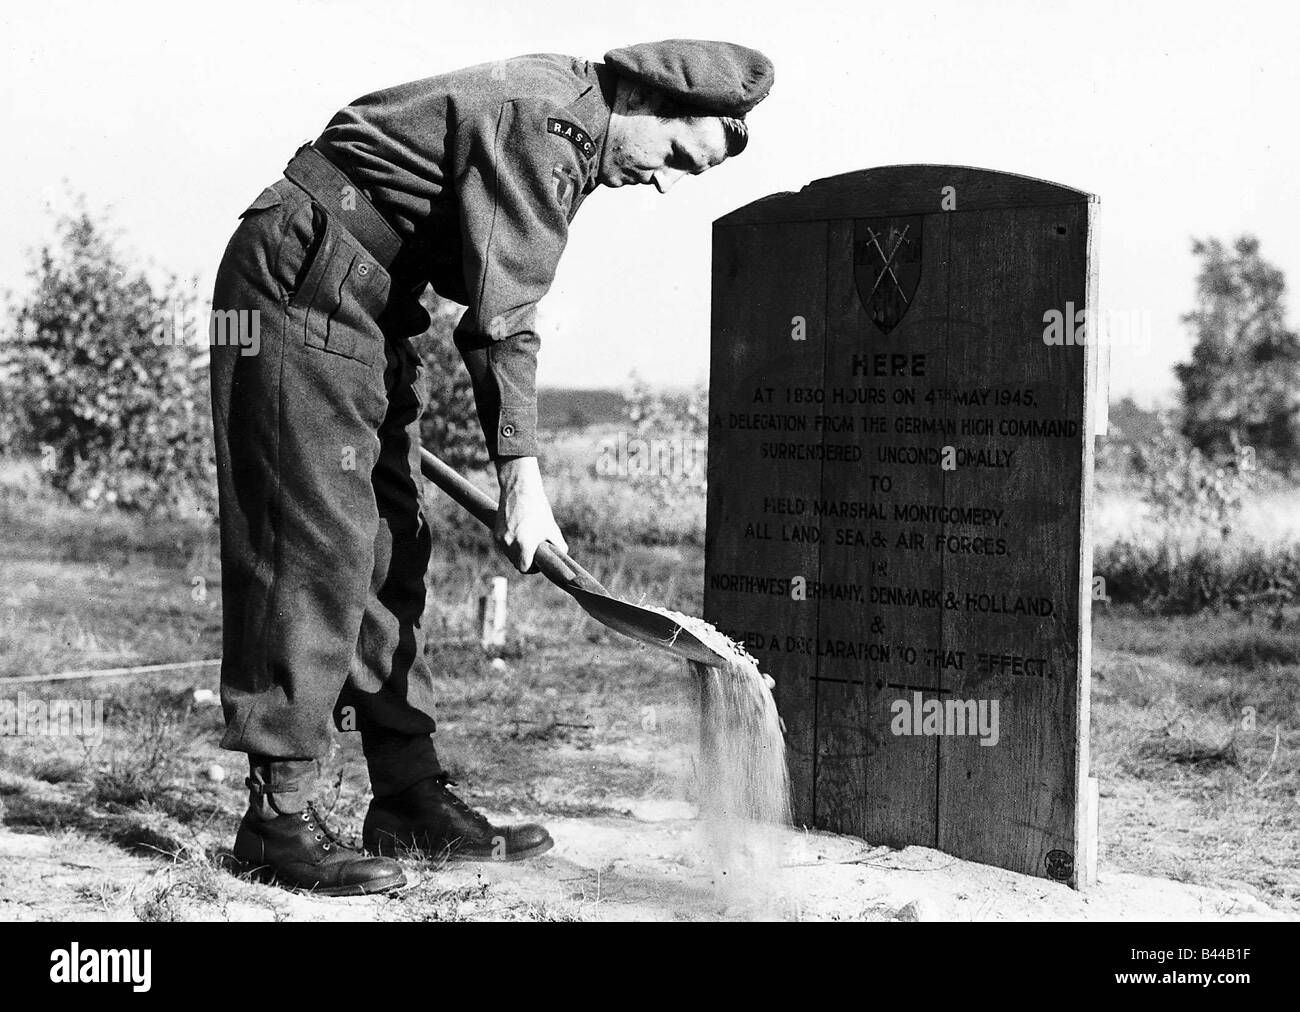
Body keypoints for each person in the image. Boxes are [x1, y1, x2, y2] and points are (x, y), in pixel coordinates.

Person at [209, 39, 774, 895]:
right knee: (316, 546)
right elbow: (505, 321)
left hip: (372, 301)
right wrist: (523, 476)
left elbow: (479, 278)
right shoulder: (548, 125)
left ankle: (405, 795)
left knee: (392, 542)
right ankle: (277, 821)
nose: (662, 183)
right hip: (302, 282)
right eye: (675, 158)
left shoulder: (576, 137)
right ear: (651, 101)